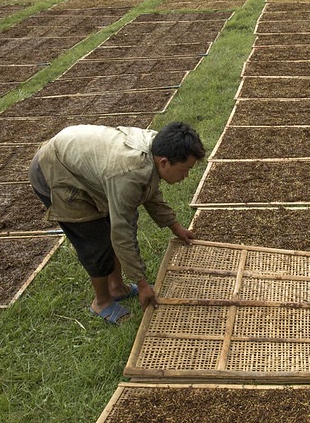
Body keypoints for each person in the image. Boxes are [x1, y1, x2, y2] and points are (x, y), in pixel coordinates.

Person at [29, 123, 206, 324]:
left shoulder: (157, 151)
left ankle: (117, 287)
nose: (186, 176)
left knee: (108, 225)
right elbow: (122, 232)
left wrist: (175, 227)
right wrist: (142, 283)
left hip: (80, 159)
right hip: (55, 171)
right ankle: (101, 302)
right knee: (97, 242)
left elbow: (151, 192)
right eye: (185, 170)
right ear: (164, 162)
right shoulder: (129, 172)